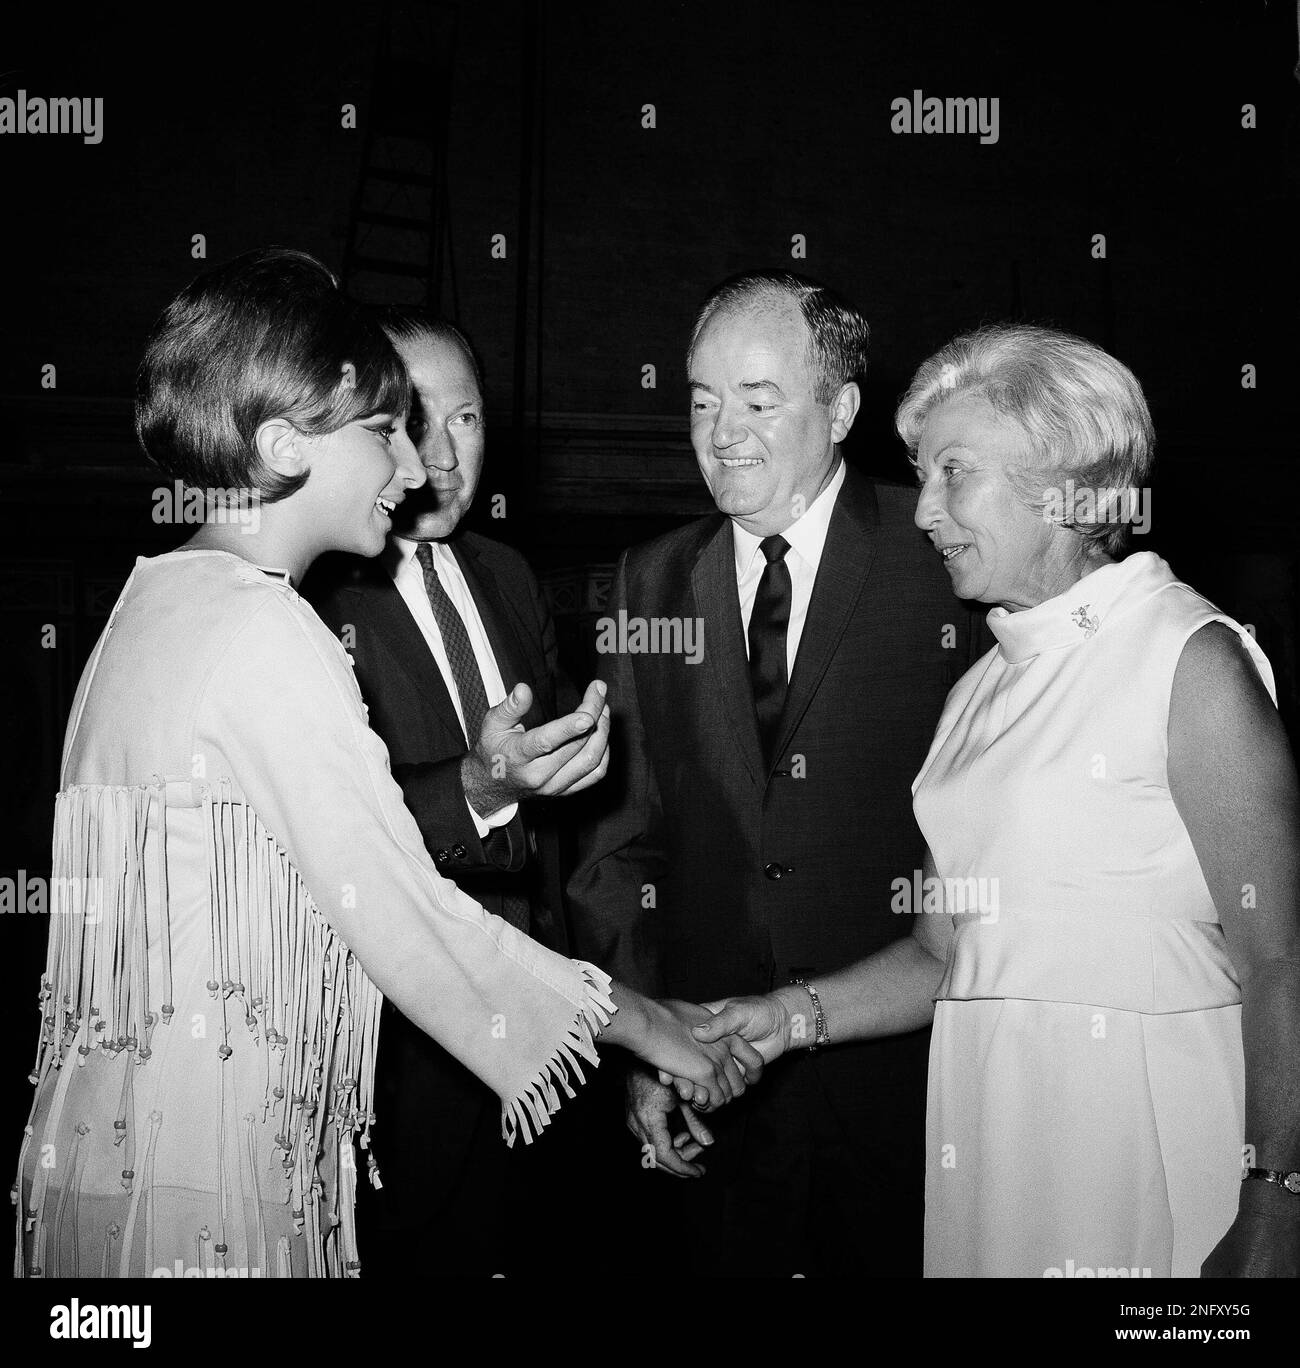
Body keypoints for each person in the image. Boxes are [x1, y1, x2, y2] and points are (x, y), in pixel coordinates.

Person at [11, 248, 757, 1279]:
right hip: (211, 1162)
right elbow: (402, 910)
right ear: (282, 445)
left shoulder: (156, 600)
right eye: (381, 433)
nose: (413, 471)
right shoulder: (267, 634)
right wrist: (649, 1026)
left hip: (127, 1139)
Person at [696, 324, 1300, 1278]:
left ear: (1062, 484)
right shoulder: (975, 688)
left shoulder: (1189, 658)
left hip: (1144, 1131)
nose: (924, 511)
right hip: (994, 1125)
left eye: (953, 473)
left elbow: (1281, 959)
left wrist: (1277, 1200)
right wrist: (789, 1018)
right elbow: (947, 949)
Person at [567, 271, 986, 1276]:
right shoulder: (647, 580)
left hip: (905, 1084)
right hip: (713, 1080)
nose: (722, 435)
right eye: (703, 403)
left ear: (839, 409)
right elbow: (620, 845)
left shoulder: (947, 560)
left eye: (758, 403)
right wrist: (646, 1042)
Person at [308, 306, 605, 1274]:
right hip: (406, 1067)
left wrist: (570, 770)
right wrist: (480, 782)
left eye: (466, 419)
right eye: (409, 420)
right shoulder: (314, 597)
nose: (440, 454)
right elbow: (331, 833)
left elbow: (555, 824)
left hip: (546, 1044)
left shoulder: (513, 576)